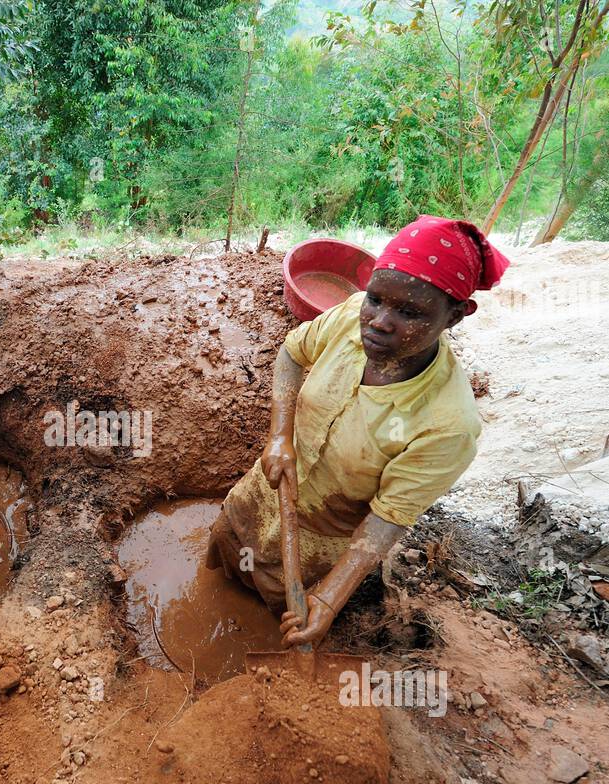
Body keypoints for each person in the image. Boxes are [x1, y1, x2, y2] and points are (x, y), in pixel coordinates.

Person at [207, 215, 509, 649]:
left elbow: (387, 520)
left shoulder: (448, 425)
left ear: (454, 317)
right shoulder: (353, 315)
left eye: (409, 312)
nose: (380, 322)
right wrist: (279, 437)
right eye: (376, 300)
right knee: (228, 548)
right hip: (260, 494)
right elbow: (292, 355)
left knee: (277, 610)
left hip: (318, 543)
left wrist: (328, 601)